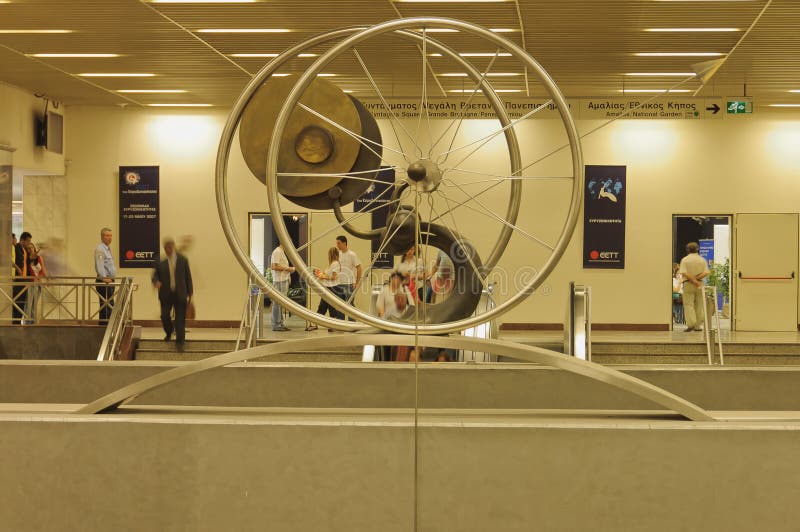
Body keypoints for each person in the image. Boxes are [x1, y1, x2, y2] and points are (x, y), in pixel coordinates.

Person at [152, 237, 193, 346]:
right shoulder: (160, 261)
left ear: (173, 247)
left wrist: (190, 292)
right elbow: (155, 275)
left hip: (180, 293)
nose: (169, 250)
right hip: (166, 294)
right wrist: (156, 282)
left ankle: (180, 341)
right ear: (164, 249)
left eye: (170, 248)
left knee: (180, 318)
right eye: (166, 248)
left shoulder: (182, 260)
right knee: (164, 316)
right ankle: (169, 332)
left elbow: (188, 276)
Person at [376, 272, 415, 361]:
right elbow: (380, 308)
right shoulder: (385, 290)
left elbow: (412, 307)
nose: (396, 281)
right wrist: (384, 322)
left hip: (405, 323)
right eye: (394, 278)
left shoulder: (405, 289)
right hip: (389, 322)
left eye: (398, 279)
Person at [679, 242, 710, 332]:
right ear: (698, 249)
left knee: (688, 304)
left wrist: (693, 280)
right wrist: (697, 280)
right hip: (700, 284)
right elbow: (706, 272)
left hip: (688, 284)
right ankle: (698, 326)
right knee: (699, 305)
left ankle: (691, 324)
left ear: (687, 250)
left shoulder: (685, 260)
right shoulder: (702, 260)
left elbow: (684, 272)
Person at [314, 246, 344, 323]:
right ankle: (316, 323)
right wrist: (320, 274)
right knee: (324, 307)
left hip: (332, 288)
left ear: (331, 254)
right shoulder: (331, 264)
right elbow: (327, 275)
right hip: (327, 288)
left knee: (329, 308)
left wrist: (322, 276)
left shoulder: (335, 264)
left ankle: (317, 323)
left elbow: (333, 277)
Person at [270, 243, 295, 332]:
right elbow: (274, 266)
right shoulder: (277, 252)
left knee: (280, 303)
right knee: (277, 303)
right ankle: (276, 324)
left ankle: (280, 323)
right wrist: (289, 269)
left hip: (283, 280)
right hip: (279, 281)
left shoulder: (281, 252)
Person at [94, 227, 116, 324]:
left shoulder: (107, 249)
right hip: (104, 281)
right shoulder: (100, 249)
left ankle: (107, 326)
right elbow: (100, 266)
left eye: (111, 235)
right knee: (106, 306)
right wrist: (104, 278)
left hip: (109, 281)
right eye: (107, 235)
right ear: (102, 237)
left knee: (109, 305)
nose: (109, 238)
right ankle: (105, 328)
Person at [335, 235, 362, 315]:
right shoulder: (338, 255)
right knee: (340, 306)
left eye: (339, 243)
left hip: (349, 284)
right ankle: (341, 324)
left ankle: (352, 324)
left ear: (344, 243)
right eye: (337, 243)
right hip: (339, 284)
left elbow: (359, 268)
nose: (337, 245)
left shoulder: (352, 254)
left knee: (350, 306)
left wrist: (357, 282)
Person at [23, 242, 48, 324]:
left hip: (39, 284)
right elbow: (27, 268)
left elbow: (43, 269)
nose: (30, 249)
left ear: (34, 248)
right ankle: (26, 322)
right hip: (31, 283)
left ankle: (32, 322)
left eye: (32, 247)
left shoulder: (39, 257)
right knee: (28, 304)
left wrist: (48, 279)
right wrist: (30, 258)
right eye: (28, 248)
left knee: (34, 304)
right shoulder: (27, 259)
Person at [12, 232, 31, 325]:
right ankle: (15, 321)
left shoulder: (25, 250)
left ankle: (19, 320)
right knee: (17, 301)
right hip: (18, 279)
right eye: (28, 241)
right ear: (22, 240)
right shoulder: (17, 247)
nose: (29, 243)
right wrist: (17, 269)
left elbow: (27, 263)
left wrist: (32, 257)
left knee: (22, 302)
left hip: (24, 279)